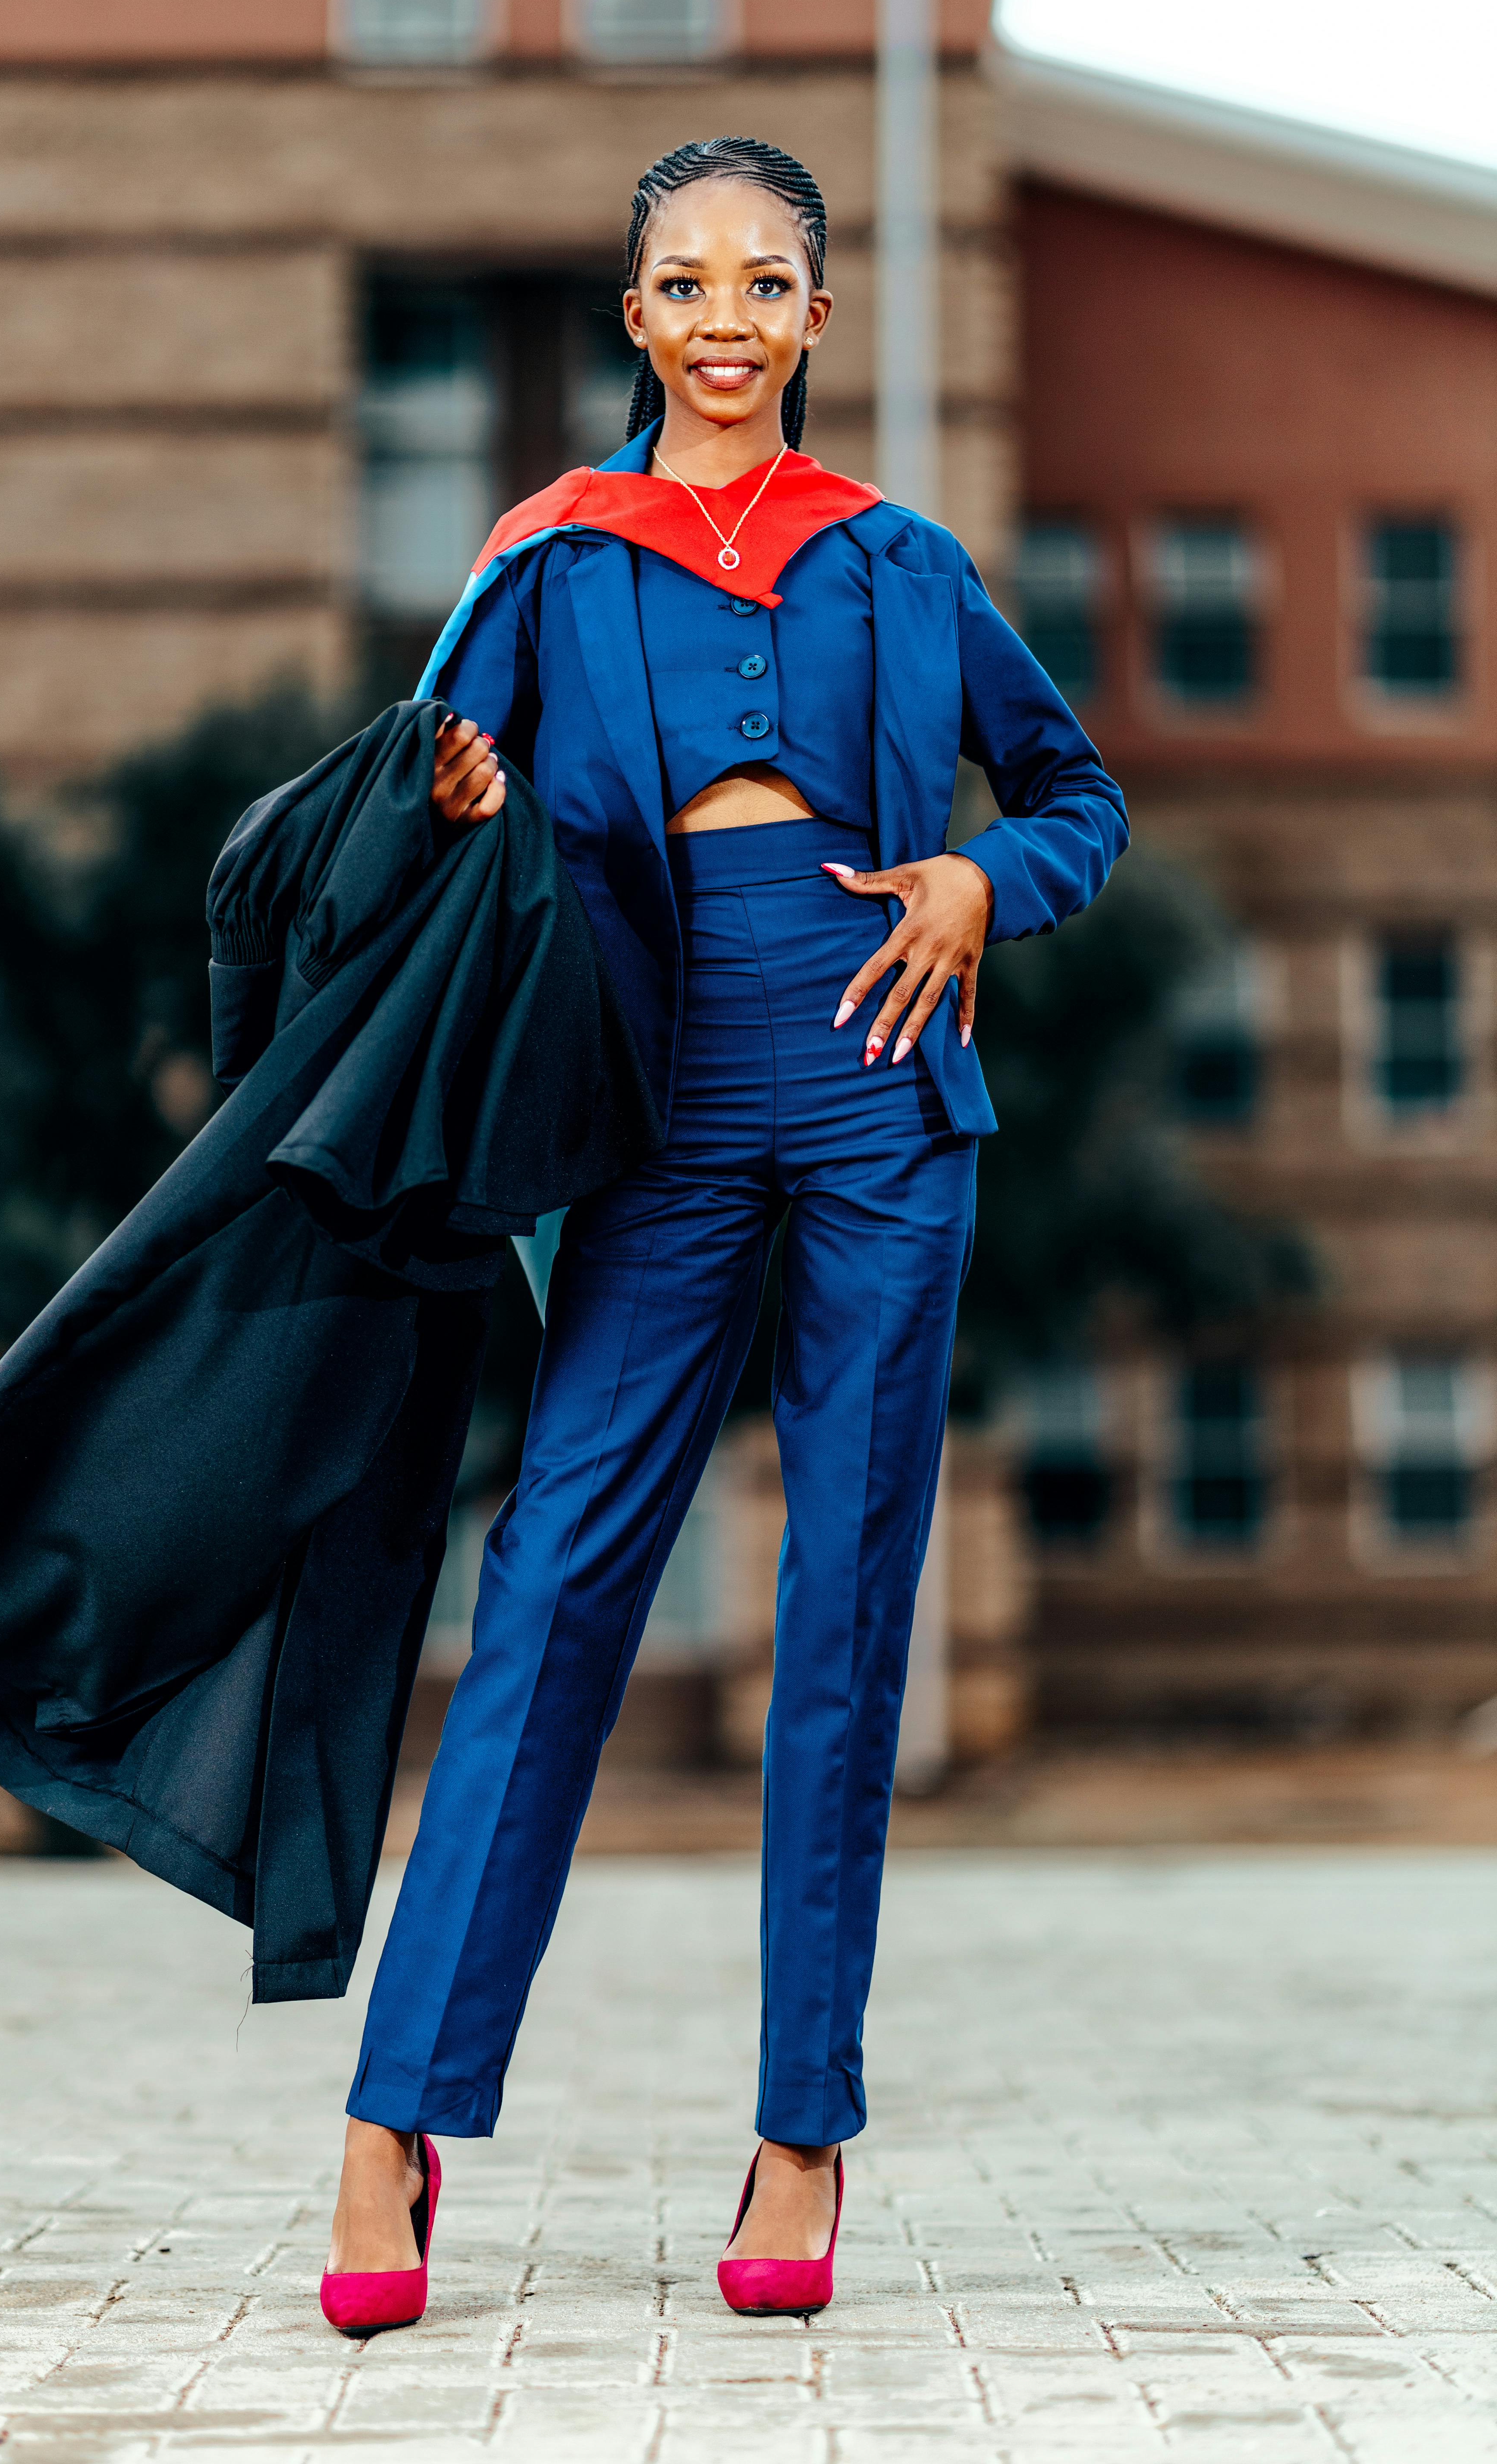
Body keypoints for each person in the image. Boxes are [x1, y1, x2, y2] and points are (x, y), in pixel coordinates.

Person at [321, 138, 1128, 2332]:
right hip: (654, 1094)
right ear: (634, 317)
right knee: (554, 1578)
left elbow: (1075, 797)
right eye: (682, 281)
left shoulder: (900, 561)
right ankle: (395, 2118)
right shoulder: (544, 557)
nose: (722, 319)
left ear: (814, 319)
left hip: (879, 1068)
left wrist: (979, 883)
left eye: (763, 282)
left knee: (844, 1609)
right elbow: (412, 810)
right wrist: (457, 795)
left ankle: (800, 2133)